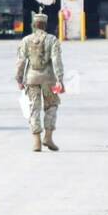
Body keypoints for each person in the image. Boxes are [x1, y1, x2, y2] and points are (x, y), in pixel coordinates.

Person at [16, 11, 65, 152]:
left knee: (34, 109)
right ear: (45, 25)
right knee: (51, 106)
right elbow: (57, 61)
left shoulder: (26, 40)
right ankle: (48, 137)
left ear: (33, 25)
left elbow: (20, 61)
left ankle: (36, 142)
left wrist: (19, 79)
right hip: (49, 79)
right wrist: (60, 80)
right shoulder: (52, 40)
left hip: (31, 79)